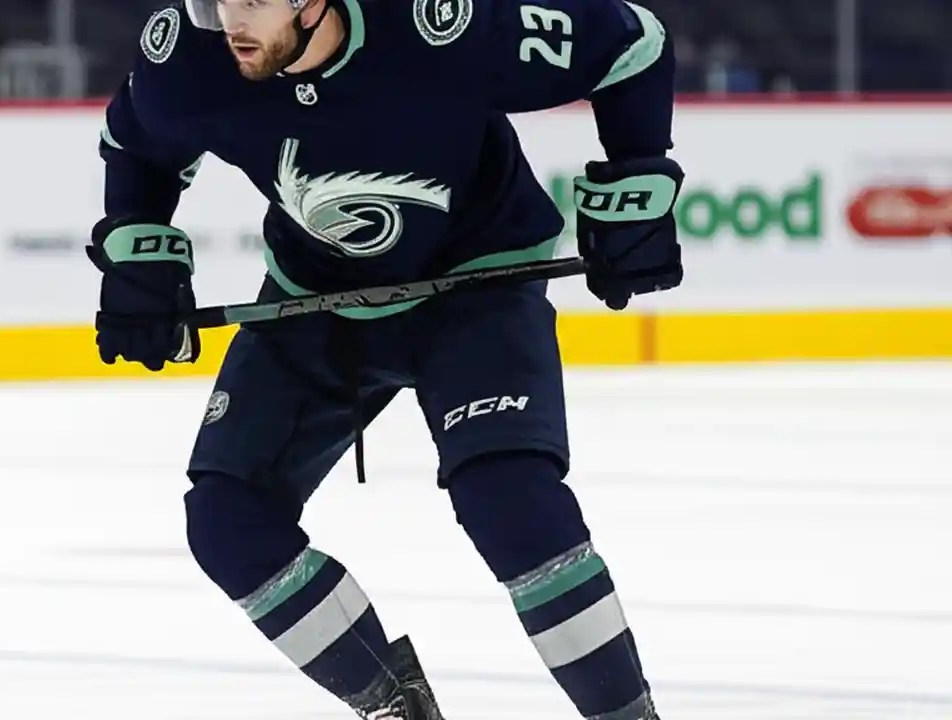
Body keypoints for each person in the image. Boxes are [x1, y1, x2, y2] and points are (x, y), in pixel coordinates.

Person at [87, 0, 684, 717]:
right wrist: (139, 249)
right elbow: (135, 142)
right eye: (218, 0)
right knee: (227, 523)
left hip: (478, 289)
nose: (230, 20)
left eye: (253, 0)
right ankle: (396, 708)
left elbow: (634, 46)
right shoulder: (191, 56)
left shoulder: (445, 27)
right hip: (316, 300)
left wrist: (636, 180)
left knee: (510, 504)